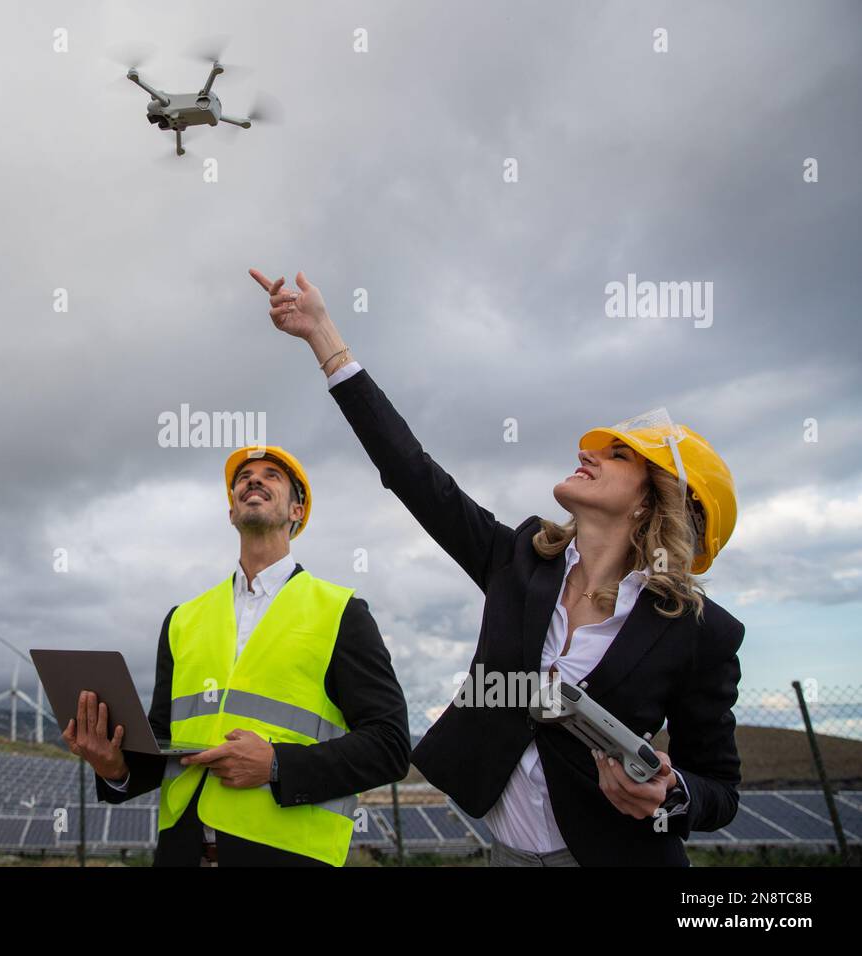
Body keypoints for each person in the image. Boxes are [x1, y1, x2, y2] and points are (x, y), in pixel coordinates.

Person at [249, 267, 744, 867]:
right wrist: (323, 335)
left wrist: (669, 793)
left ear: (654, 498)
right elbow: (411, 471)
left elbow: (717, 788)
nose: (587, 451)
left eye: (618, 455)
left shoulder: (699, 630)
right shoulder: (521, 560)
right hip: (506, 852)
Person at [63, 446, 410, 866]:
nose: (254, 481)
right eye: (243, 477)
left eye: (272, 475)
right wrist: (114, 767)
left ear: (297, 512)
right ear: (231, 513)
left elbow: (390, 747)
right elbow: (164, 742)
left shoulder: (341, 613)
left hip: (289, 855)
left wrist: (278, 764)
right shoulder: (182, 620)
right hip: (182, 853)